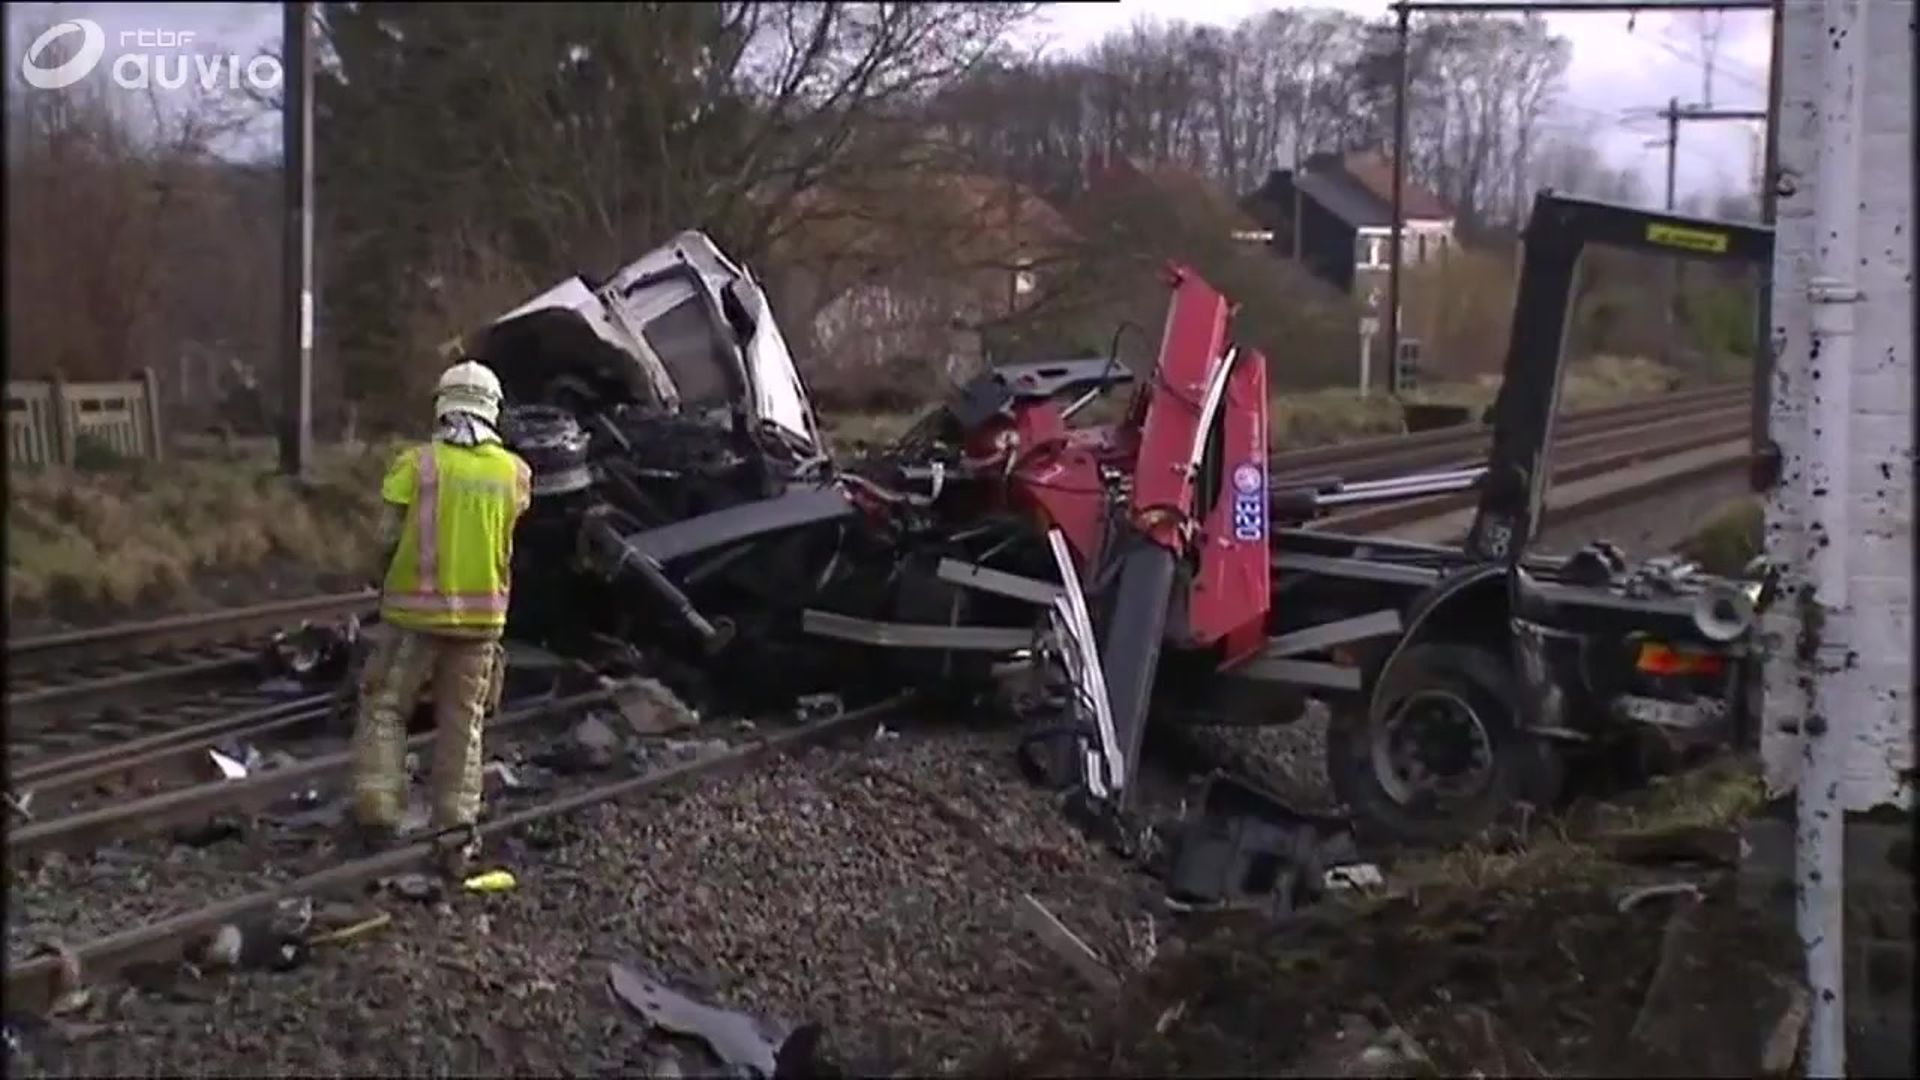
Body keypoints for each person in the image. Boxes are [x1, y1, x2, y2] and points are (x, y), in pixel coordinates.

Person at [348, 359, 532, 878]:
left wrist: (379, 579)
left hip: (413, 616)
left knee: (386, 706)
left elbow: (385, 539)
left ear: (442, 406)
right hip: (481, 622)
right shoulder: (514, 474)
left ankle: (378, 808)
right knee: (463, 721)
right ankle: (455, 829)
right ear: (493, 409)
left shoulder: (416, 466)